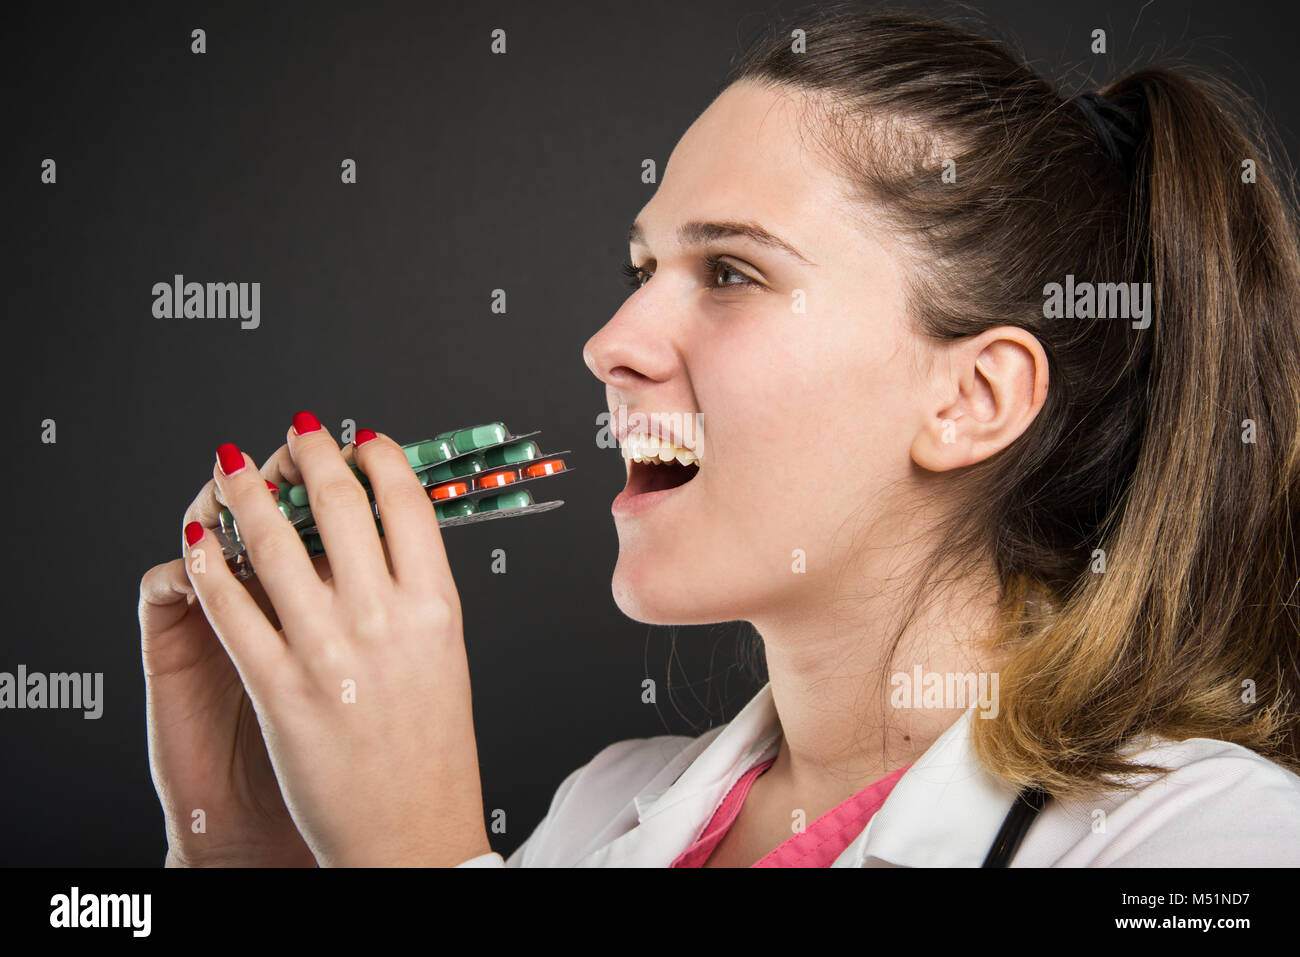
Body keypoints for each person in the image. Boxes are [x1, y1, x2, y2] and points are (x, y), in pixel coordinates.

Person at [137, 4, 1300, 867]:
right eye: (643, 268)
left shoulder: (1211, 843)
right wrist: (249, 855)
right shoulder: (600, 813)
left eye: (730, 271)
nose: (610, 341)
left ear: (970, 400)